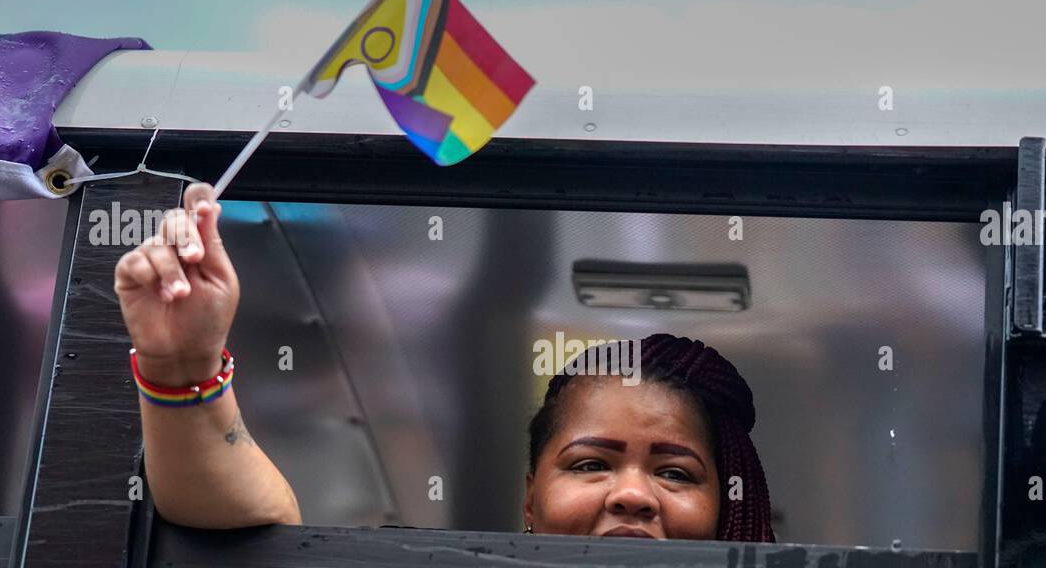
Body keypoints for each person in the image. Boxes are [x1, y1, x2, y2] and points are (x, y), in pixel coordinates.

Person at [115, 182, 775, 542]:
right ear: (529, 501)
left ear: (729, 506)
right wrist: (184, 364)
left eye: (676, 472)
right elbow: (255, 527)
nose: (632, 496)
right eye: (590, 464)